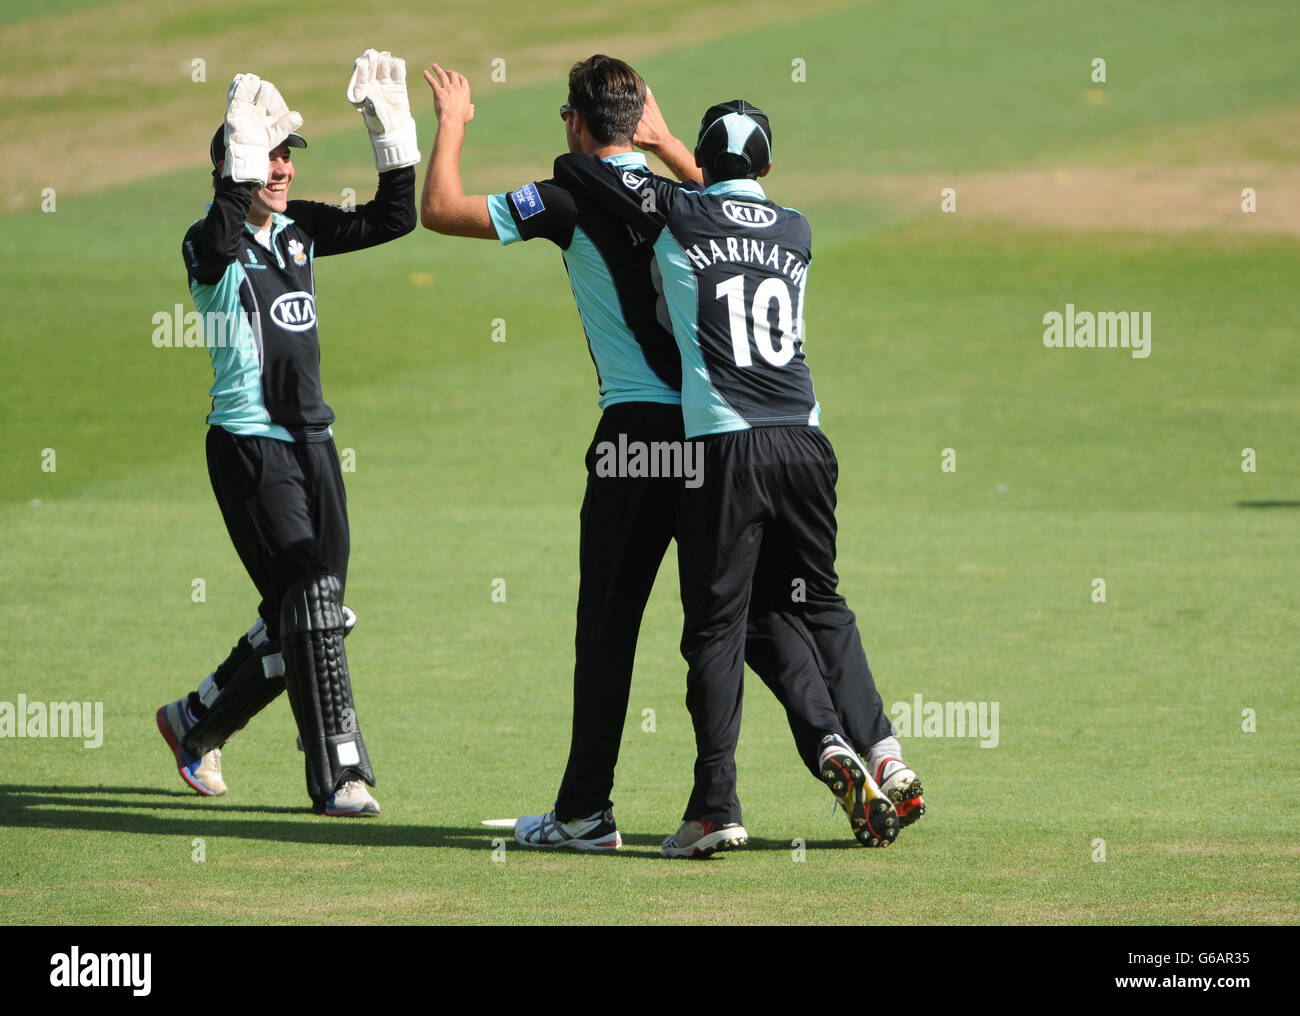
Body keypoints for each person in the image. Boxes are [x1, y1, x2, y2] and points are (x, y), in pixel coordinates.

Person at [422, 59, 912, 856]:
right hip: (708, 437)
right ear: (639, 116)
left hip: (633, 438)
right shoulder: (690, 200)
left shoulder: (571, 193)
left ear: (576, 122)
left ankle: (587, 812)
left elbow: (441, 210)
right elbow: (729, 183)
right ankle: (834, 745)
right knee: (750, 619)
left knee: (609, 624)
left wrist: (453, 122)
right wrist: (671, 144)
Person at [553, 99, 925, 852]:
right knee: (819, 604)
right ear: (768, 168)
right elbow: (725, 194)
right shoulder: (797, 228)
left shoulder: (679, 213)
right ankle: (882, 750)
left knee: (717, 631)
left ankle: (715, 806)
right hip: (808, 442)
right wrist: (676, 150)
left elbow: (582, 169)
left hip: (728, 448)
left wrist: (647, 141)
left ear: (698, 161)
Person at [155, 51, 419, 817]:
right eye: (266, 156)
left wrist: (390, 131)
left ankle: (196, 721)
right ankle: (340, 773)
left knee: (314, 611)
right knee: (309, 601)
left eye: (286, 156)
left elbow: (392, 219)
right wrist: (237, 154)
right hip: (247, 443)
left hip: (313, 443)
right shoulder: (211, 246)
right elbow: (222, 229)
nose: (280, 169)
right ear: (234, 166)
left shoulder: (300, 232)